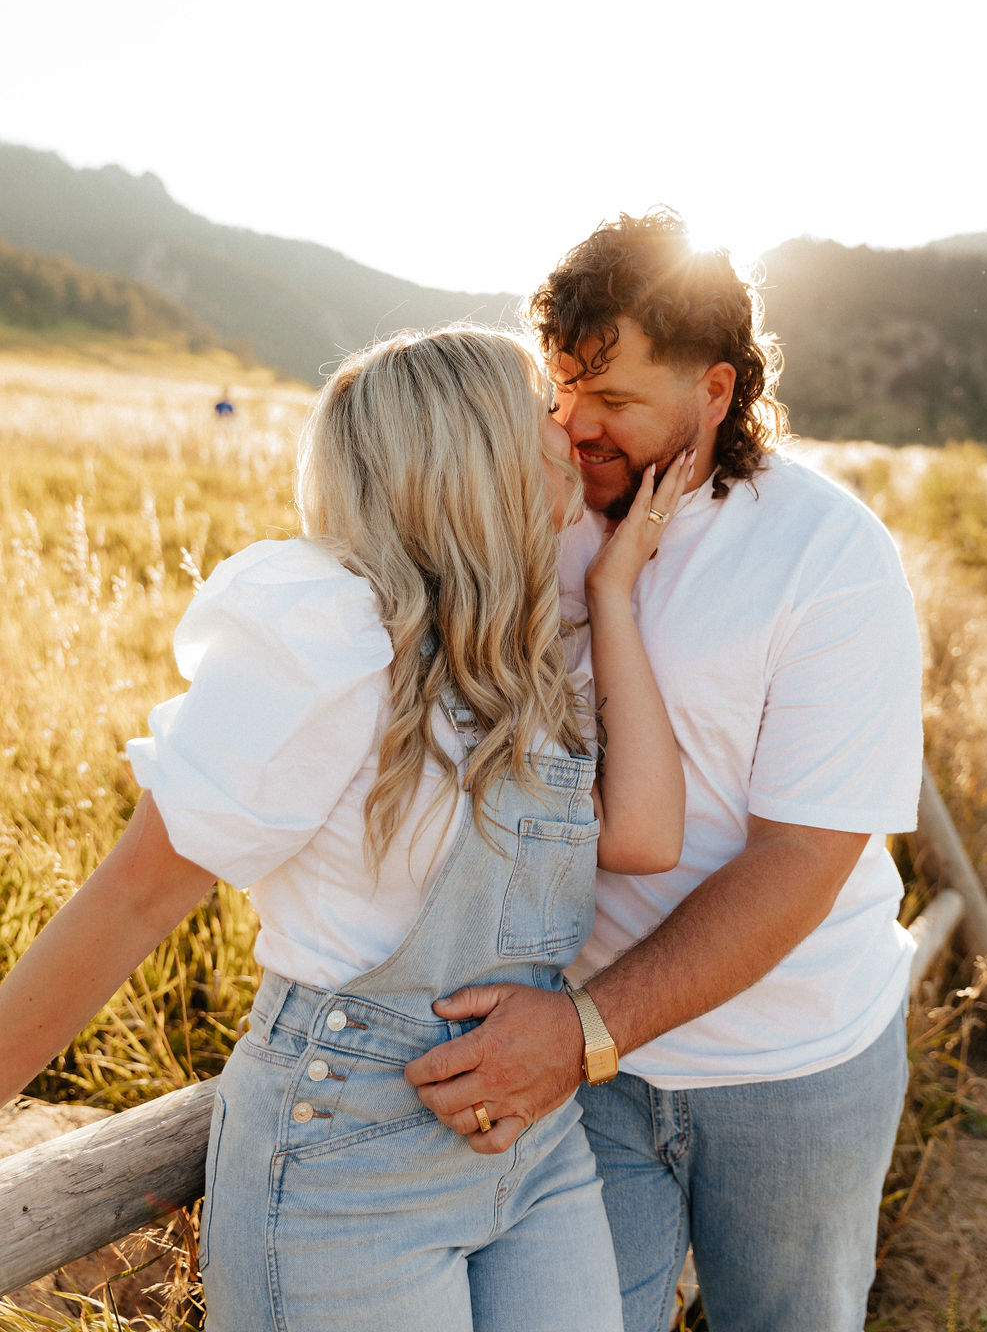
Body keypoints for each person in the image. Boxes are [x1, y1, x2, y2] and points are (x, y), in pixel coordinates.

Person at [0, 324, 689, 1332]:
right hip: (349, 1158)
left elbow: (646, 834)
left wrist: (614, 593)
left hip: (532, 1147)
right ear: (470, 446)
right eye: (540, 404)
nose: (567, 424)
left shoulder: (519, 655)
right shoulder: (328, 632)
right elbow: (133, 897)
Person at [406, 214, 924, 1332]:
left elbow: (802, 858)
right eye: (561, 390)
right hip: (584, 1082)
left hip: (790, 1067)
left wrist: (584, 1029)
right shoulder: (538, 515)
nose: (573, 426)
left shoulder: (829, 559)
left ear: (716, 390)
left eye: (615, 402)